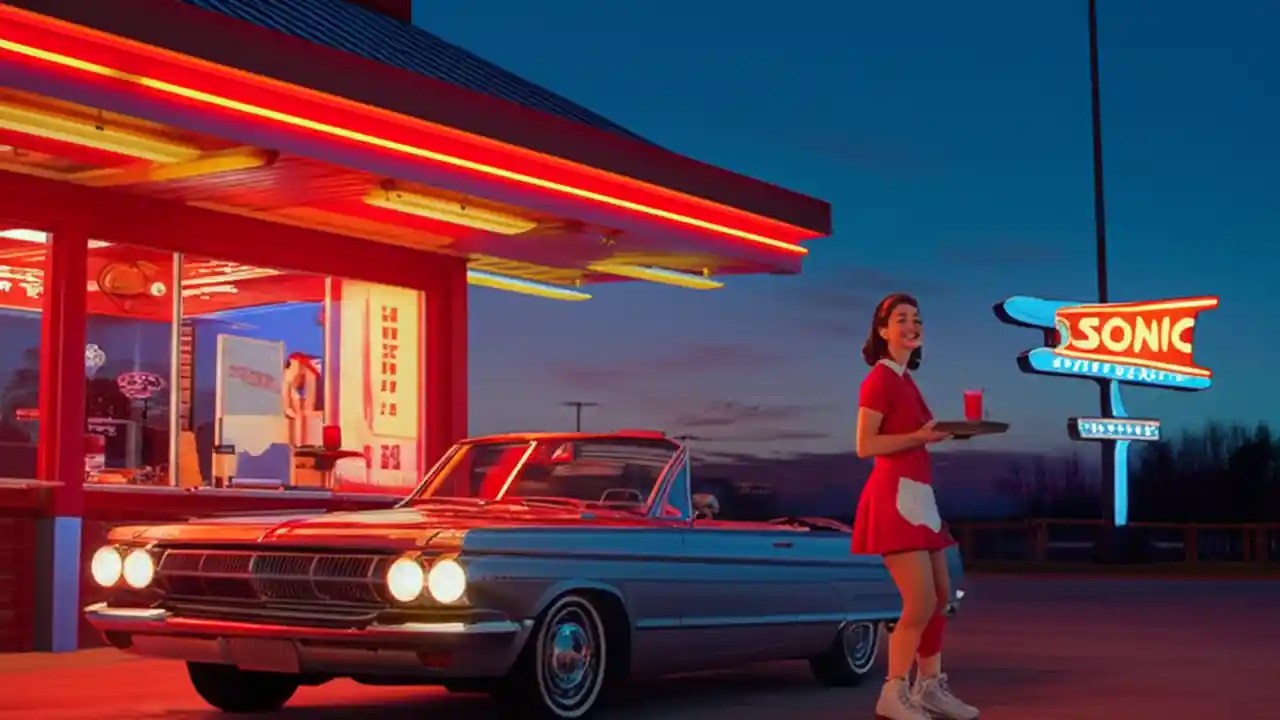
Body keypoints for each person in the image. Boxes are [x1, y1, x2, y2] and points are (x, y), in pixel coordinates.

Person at [852, 293, 979, 720]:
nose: (911, 325)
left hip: (920, 497)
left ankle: (929, 687)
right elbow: (865, 445)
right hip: (895, 497)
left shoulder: (906, 380)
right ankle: (892, 692)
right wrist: (921, 437)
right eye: (901, 318)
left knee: (942, 598)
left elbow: (915, 434)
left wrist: (943, 433)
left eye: (917, 319)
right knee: (920, 602)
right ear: (882, 330)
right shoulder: (880, 379)